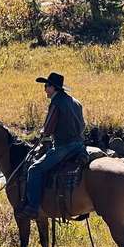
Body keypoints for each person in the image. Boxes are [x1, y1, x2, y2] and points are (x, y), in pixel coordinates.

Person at [16, 72, 87, 219]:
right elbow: (83, 125)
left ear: (53, 88)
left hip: (64, 146)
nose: (44, 89)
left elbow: (47, 129)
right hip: (79, 146)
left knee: (34, 169)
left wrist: (40, 136)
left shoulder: (56, 103)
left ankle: (33, 207)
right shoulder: (75, 102)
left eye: (46, 85)